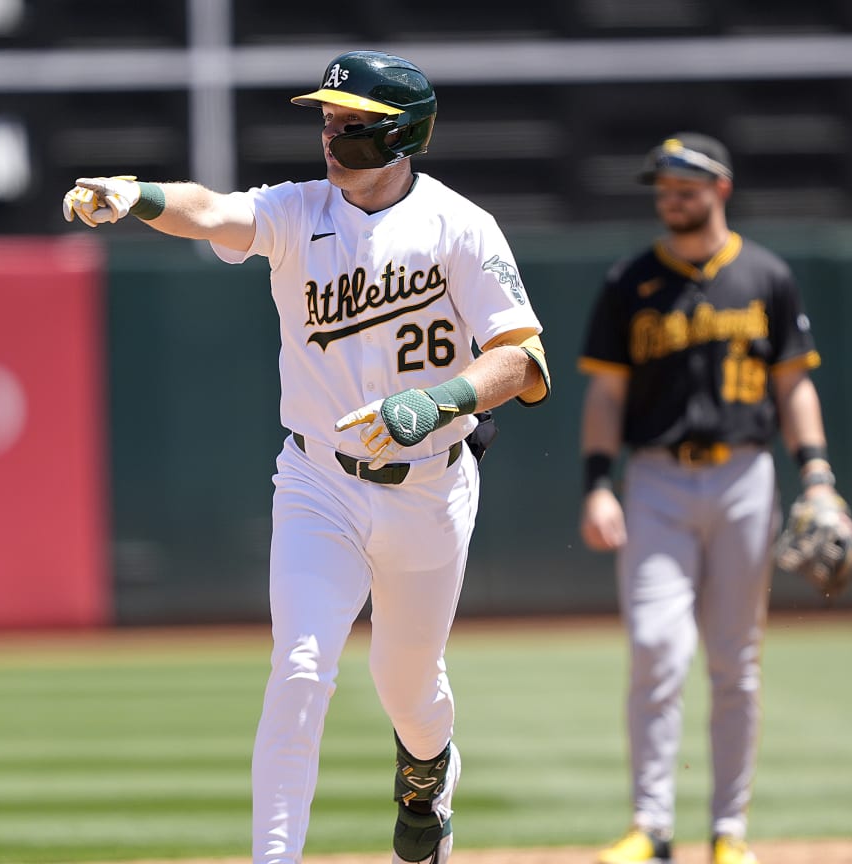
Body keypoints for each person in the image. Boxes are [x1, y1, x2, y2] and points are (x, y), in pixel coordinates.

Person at [62, 50, 550, 864]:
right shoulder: (298, 210)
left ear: (401, 136)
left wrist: (436, 402)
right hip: (319, 479)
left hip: (430, 489)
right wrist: (135, 194)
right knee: (299, 669)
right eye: (326, 120)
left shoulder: (460, 226)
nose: (330, 136)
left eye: (351, 123)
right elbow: (211, 212)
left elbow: (525, 360)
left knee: (408, 686)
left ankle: (427, 772)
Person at [577, 133, 844, 864]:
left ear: (721, 188)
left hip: (744, 477)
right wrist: (597, 483)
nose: (670, 197)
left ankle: (729, 832)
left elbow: (794, 384)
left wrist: (817, 474)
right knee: (655, 649)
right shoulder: (630, 280)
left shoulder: (765, 275)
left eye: (685, 186)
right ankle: (652, 826)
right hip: (655, 480)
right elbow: (606, 394)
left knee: (735, 661)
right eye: (663, 187)